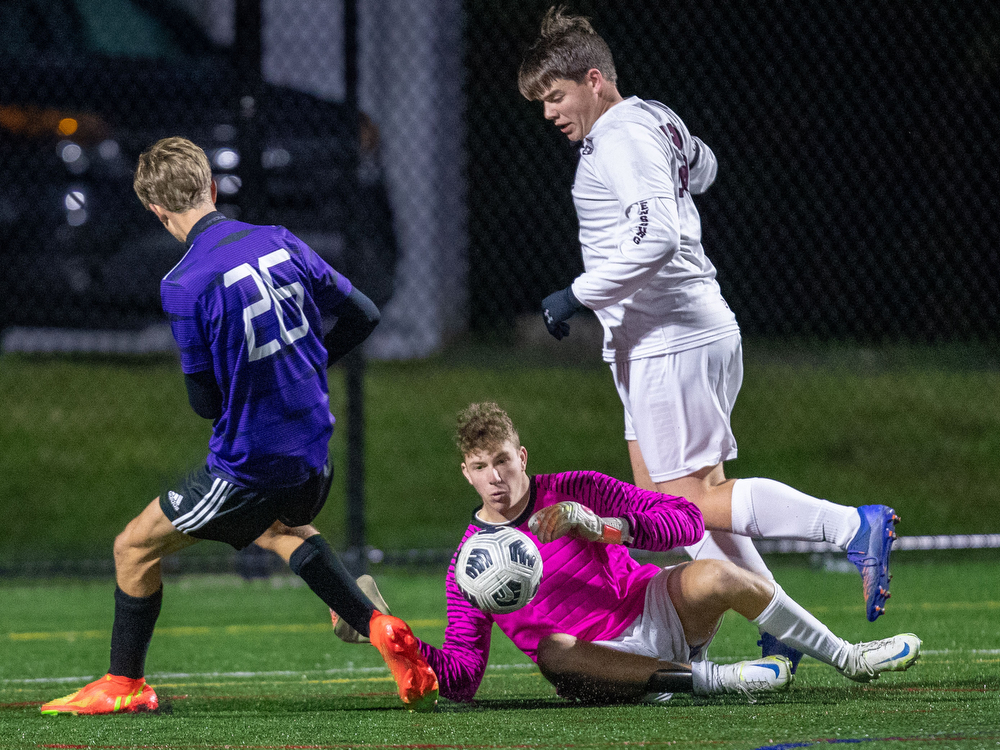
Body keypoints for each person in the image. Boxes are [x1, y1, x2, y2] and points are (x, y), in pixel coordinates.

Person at [519, 7, 899, 667]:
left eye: (555, 96)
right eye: (541, 103)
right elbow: (706, 166)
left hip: (672, 335)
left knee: (686, 502)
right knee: (664, 502)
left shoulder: (619, 135)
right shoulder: (653, 119)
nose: (549, 113)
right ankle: (777, 617)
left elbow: (658, 236)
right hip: (656, 338)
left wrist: (577, 294)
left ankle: (848, 525)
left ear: (593, 80)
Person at [40, 137, 438, 716]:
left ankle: (124, 683)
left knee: (133, 547)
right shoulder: (278, 238)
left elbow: (204, 402)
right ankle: (378, 626)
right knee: (277, 529)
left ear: (157, 211)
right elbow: (365, 313)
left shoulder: (183, 283)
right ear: (212, 186)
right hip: (314, 452)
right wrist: (307, 363)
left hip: (251, 462)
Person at [340, 402, 920, 705]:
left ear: (522, 456)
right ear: (465, 474)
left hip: (653, 608)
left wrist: (603, 526)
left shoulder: (575, 488)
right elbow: (463, 677)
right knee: (553, 652)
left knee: (718, 574)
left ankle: (849, 657)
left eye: (503, 461)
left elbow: (686, 518)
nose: (496, 477)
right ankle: (716, 680)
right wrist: (393, 639)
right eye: (480, 467)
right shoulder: (468, 567)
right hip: (598, 665)